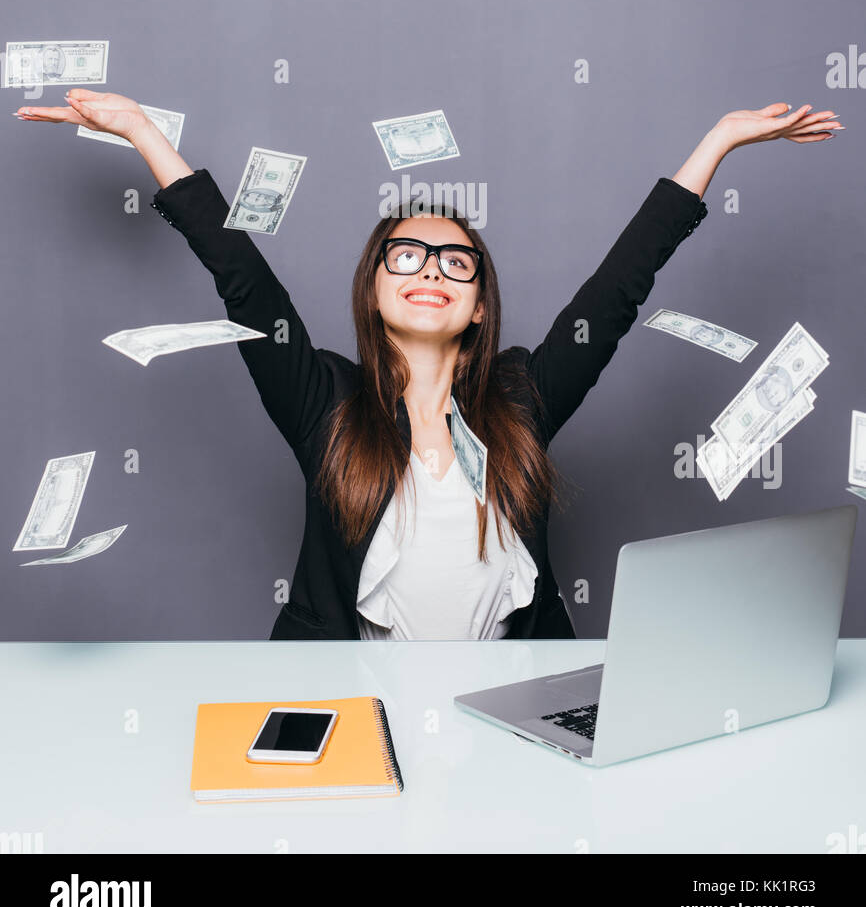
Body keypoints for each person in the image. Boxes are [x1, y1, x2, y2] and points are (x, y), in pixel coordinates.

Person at [15, 92, 843, 639]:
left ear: (480, 305)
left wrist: (719, 142)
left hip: (511, 707)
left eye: (456, 262)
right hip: (353, 707)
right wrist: (142, 130)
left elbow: (618, 288)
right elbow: (240, 273)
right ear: (373, 289)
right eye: (404, 255)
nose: (429, 270)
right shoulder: (324, 403)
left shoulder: (522, 399)